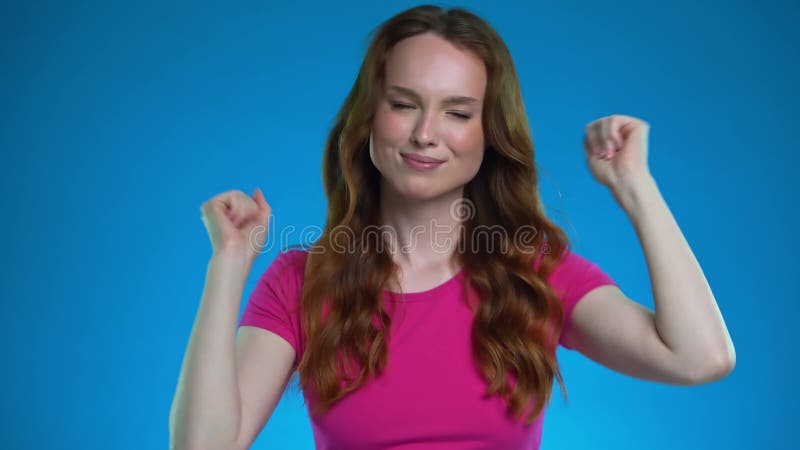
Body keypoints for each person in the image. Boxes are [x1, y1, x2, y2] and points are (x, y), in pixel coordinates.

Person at [169, 5, 736, 450]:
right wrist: (229, 264)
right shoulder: (301, 279)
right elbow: (203, 446)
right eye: (404, 104)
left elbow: (699, 358)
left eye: (457, 112)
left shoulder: (533, 274)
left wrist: (635, 187)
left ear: (489, 134)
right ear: (370, 116)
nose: (425, 134)